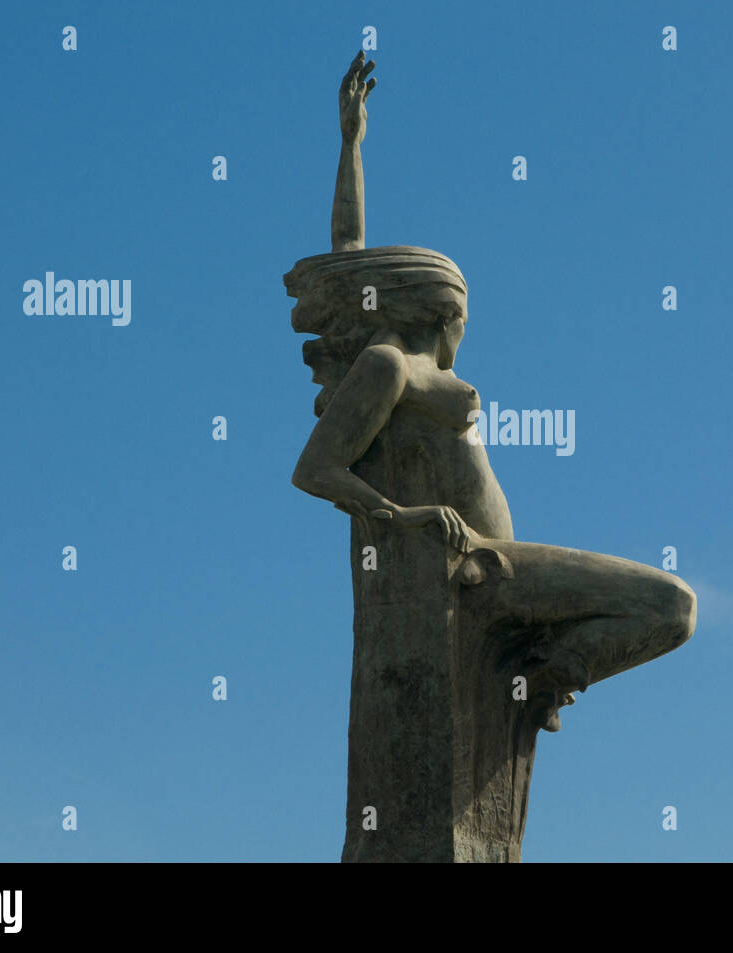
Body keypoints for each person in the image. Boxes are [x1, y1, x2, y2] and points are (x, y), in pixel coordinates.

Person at [287, 52, 695, 730]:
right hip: (480, 566)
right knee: (670, 604)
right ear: (442, 314)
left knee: (670, 607)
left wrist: (351, 143)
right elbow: (315, 468)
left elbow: (348, 253)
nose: (464, 334)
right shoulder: (388, 365)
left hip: (498, 563)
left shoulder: (409, 364)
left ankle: (542, 672)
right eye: (463, 320)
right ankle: (546, 676)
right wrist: (401, 513)